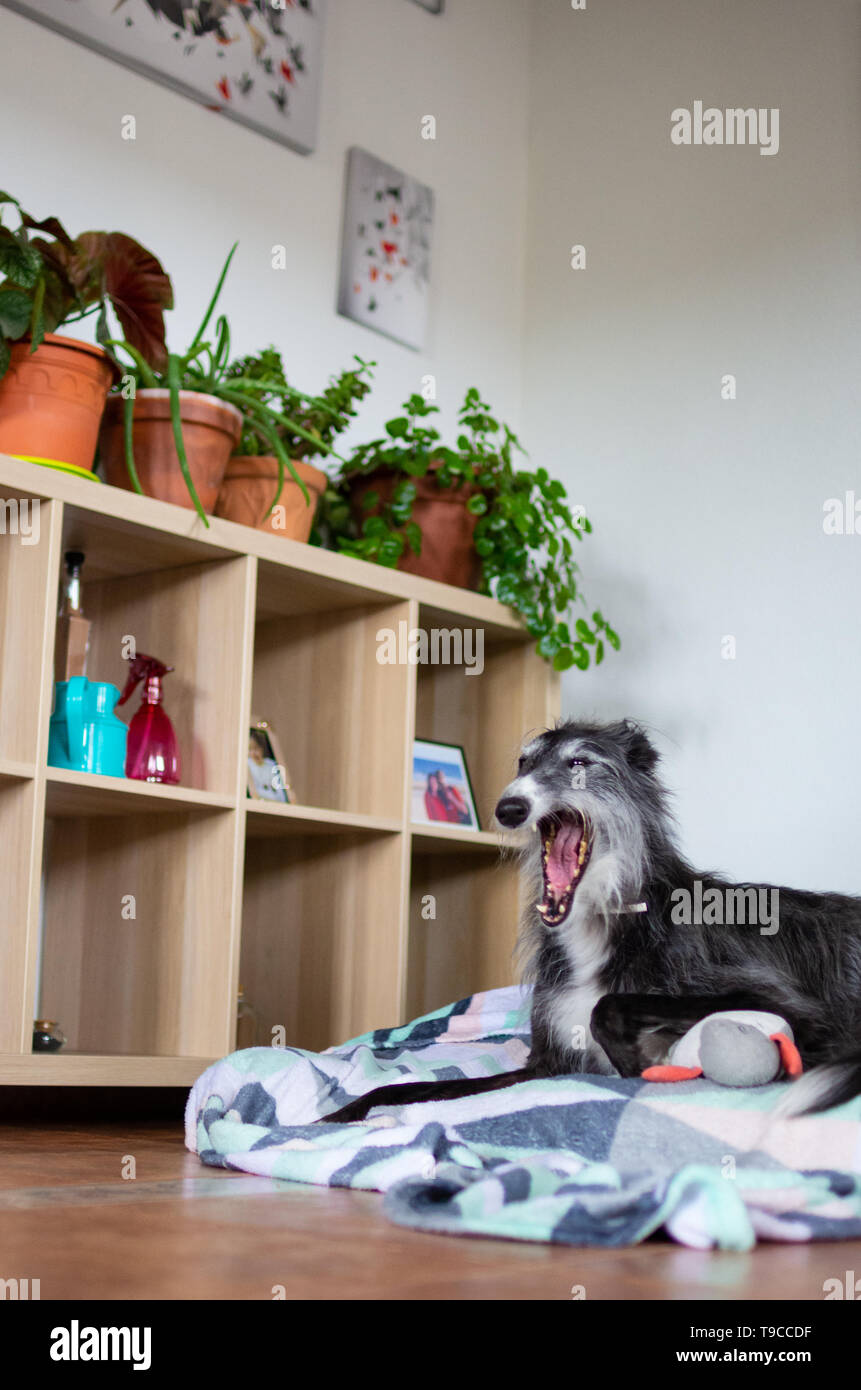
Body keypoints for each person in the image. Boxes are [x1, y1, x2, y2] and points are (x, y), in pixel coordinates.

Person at [248, 729, 287, 802]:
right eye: (249, 749)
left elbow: (282, 796)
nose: (253, 753)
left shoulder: (272, 765)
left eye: (256, 748)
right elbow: (255, 793)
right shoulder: (247, 765)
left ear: (262, 748)